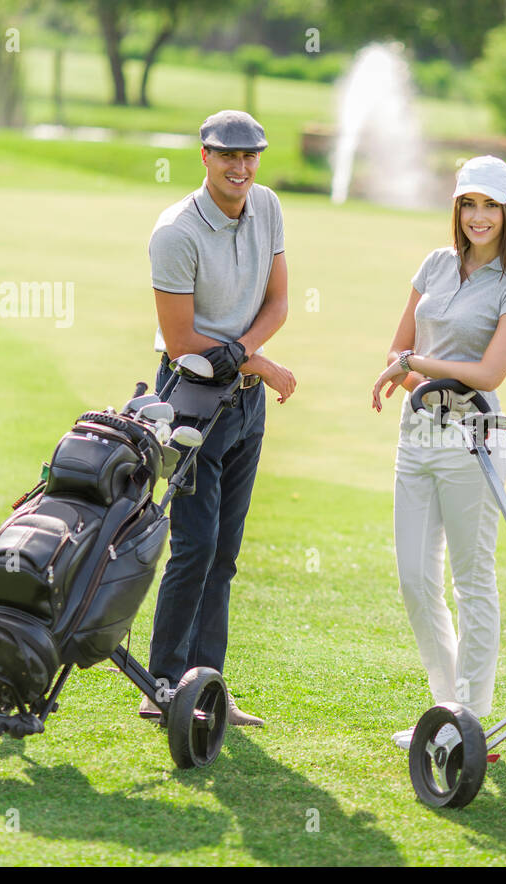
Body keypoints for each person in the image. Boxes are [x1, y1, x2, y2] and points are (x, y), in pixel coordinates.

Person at [371, 155, 506, 748]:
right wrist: (417, 376)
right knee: (417, 578)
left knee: (471, 580)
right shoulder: (436, 265)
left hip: (475, 443)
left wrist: (416, 366)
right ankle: (447, 712)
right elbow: (398, 345)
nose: (478, 216)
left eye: (491, 205)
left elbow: (490, 374)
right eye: (469, 203)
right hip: (418, 434)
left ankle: (472, 718)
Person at [141, 110, 296, 726]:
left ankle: (206, 688)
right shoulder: (176, 232)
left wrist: (249, 360)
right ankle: (162, 685)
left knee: (225, 551)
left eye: (250, 156)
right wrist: (259, 362)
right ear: (203, 156)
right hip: (190, 397)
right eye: (227, 156)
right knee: (195, 545)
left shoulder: (269, 206)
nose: (240, 168)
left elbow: (279, 300)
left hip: (245, 398)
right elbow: (182, 342)